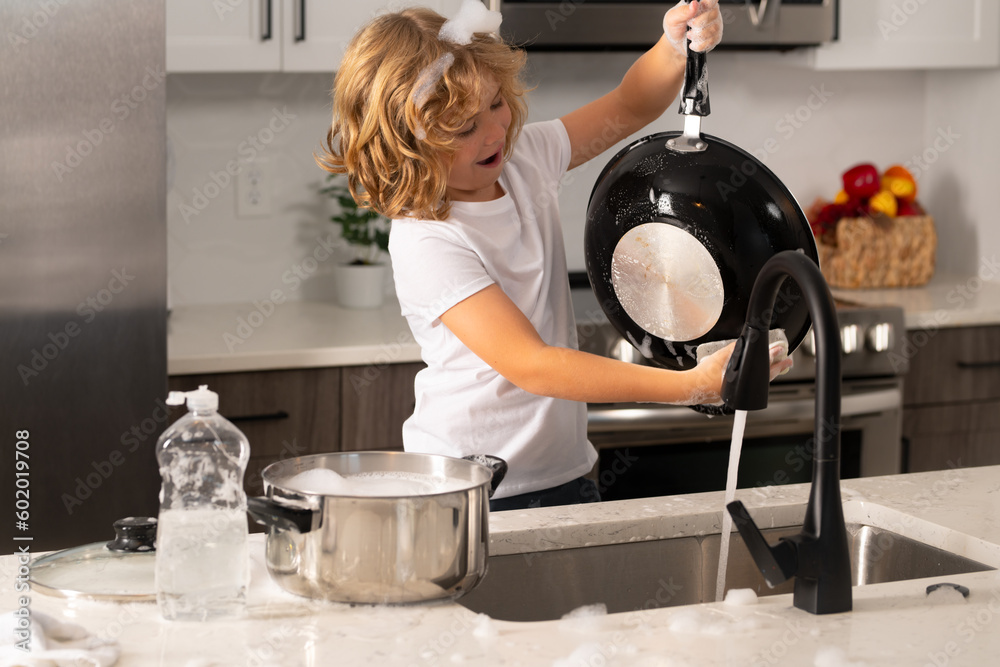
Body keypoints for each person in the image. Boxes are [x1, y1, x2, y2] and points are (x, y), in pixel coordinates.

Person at [317, 0, 791, 510]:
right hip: (472, 491)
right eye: (462, 128)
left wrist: (673, 48)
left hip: (565, 472)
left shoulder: (524, 161)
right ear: (404, 145)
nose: (494, 132)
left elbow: (629, 106)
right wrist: (692, 385)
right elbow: (533, 365)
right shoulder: (428, 240)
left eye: (495, 103)